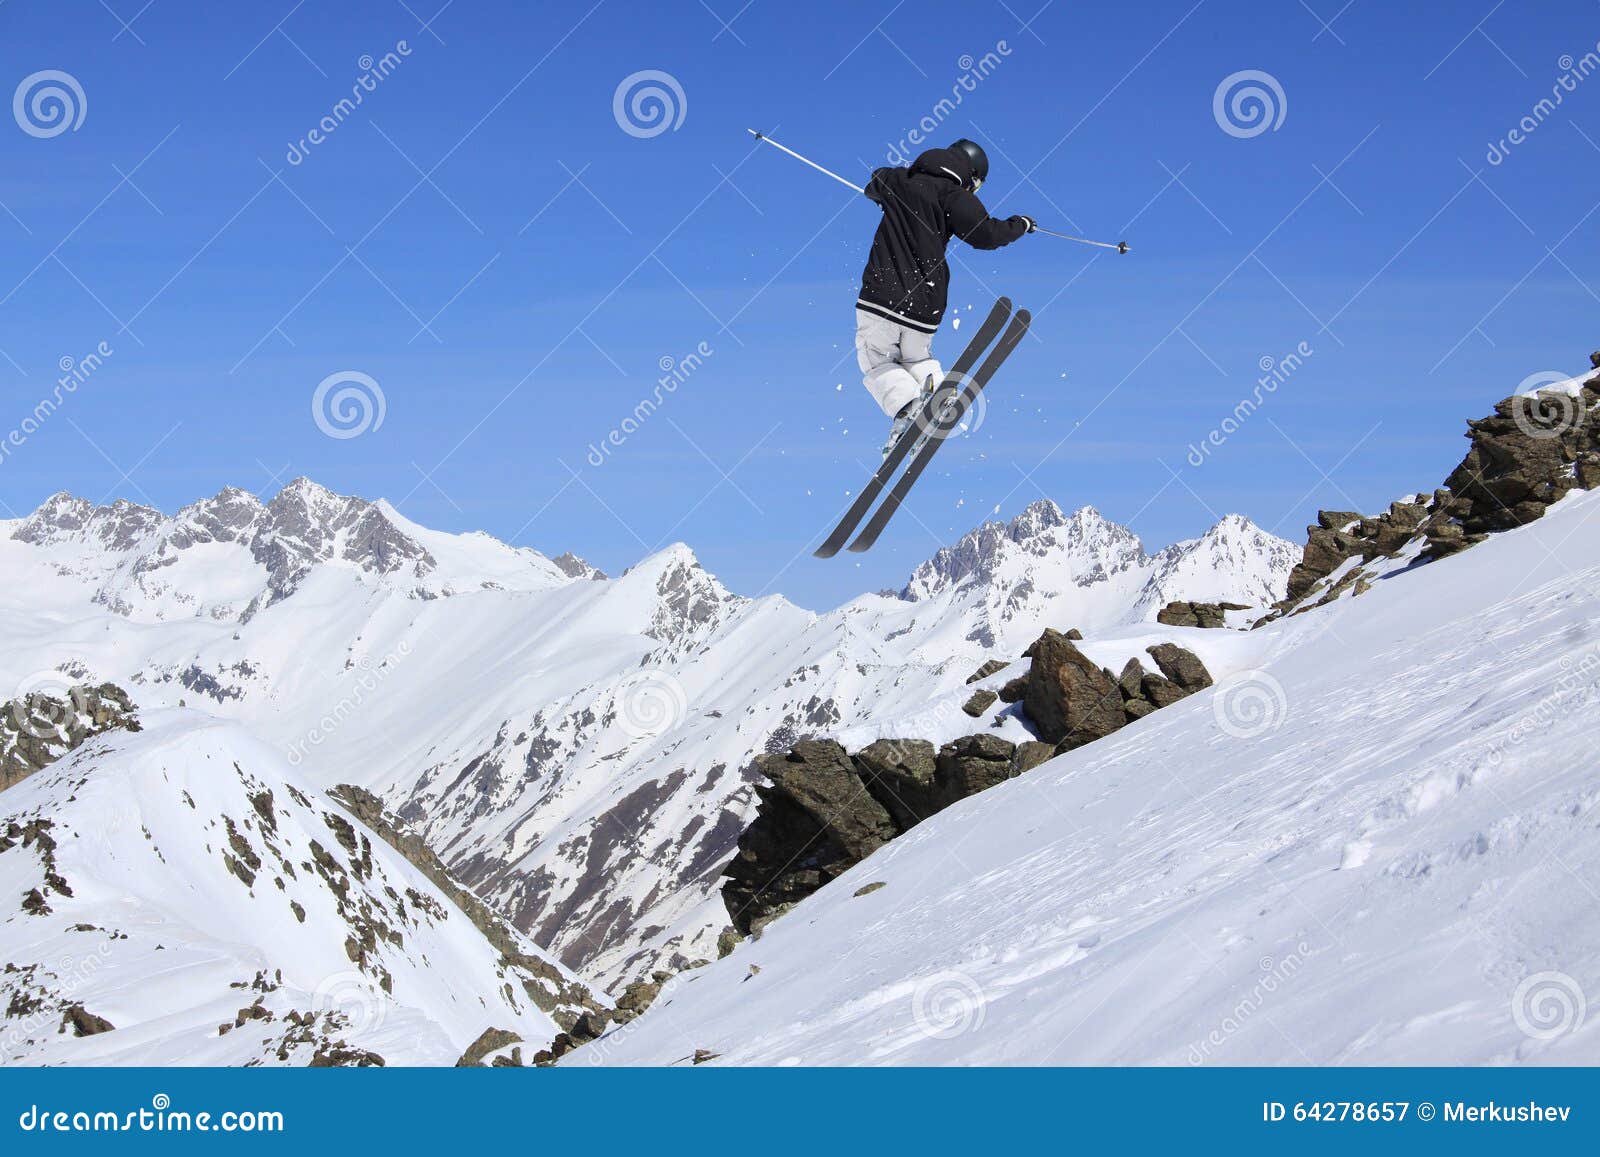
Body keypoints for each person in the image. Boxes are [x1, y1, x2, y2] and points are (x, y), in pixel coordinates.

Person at [855, 138, 1034, 457]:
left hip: (883, 295)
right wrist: (1019, 225)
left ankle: (911, 408)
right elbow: (986, 235)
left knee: (875, 359)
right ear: (972, 177)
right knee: (916, 358)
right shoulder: (955, 197)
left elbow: (875, 182)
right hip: (927, 301)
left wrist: (886, 196)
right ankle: (936, 394)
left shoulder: (900, 179)